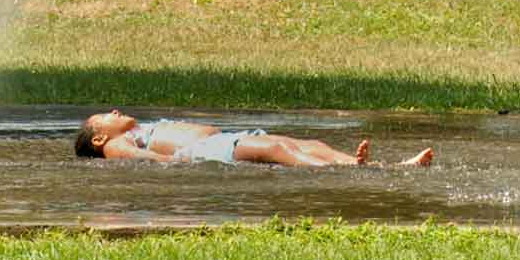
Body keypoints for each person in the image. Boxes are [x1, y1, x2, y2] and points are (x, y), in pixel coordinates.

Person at [74, 110, 433, 168]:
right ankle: (346, 171)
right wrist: (172, 162)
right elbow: (131, 157)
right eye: (107, 115)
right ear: (99, 137)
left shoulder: (136, 130)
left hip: (227, 139)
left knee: (310, 146)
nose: (115, 110)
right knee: (279, 149)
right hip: (205, 150)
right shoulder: (117, 144)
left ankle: (362, 165)